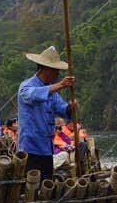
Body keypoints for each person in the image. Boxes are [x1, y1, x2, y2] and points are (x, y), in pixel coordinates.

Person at [17, 46, 76, 180]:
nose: (57, 74)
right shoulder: (26, 86)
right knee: (31, 184)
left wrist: (70, 108)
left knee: (46, 182)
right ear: (47, 69)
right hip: (30, 148)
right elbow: (32, 96)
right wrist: (60, 85)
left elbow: (62, 108)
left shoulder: (53, 92)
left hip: (46, 148)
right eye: (56, 71)